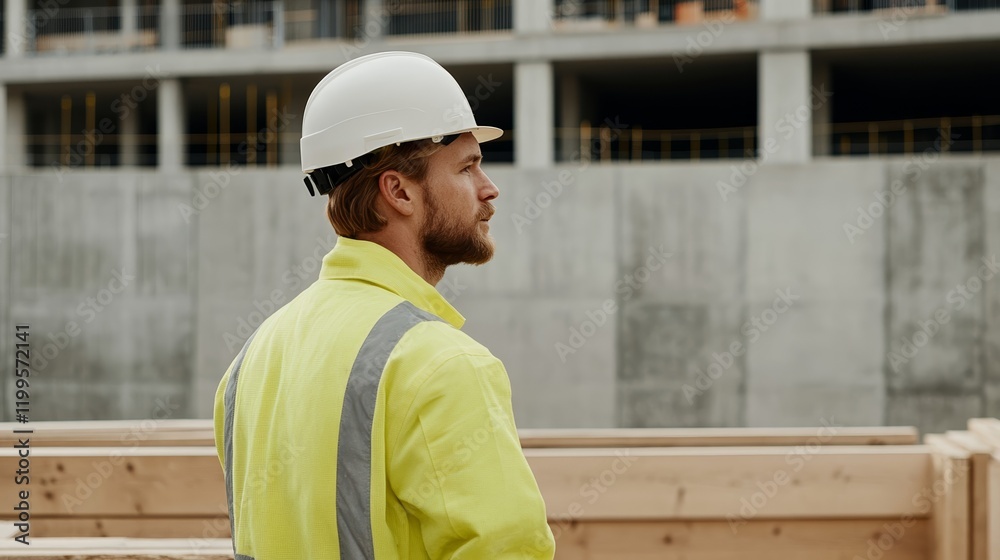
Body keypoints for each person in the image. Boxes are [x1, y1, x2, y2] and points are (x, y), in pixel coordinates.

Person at [213, 51, 556, 559]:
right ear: (398, 191)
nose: (489, 188)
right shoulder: (440, 365)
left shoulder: (251, 362)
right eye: (466, 168)